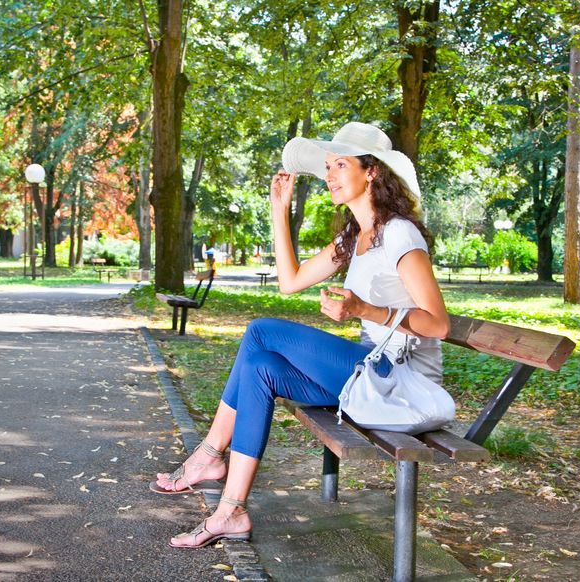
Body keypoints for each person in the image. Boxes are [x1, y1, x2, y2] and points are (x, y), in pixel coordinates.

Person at [152, 122, 452, 549]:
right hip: (367, 372)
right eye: (327, 167)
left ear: (372, 171)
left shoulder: (400, 233)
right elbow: (290, 282)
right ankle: (231, 510)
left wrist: (364, 309)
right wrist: (279, 210)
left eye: (340, 165)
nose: (329, 175)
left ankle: (209, 454)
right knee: (260, 366)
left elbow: (438, 323)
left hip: (400, 380)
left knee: (260, 331)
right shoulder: (355, 236)